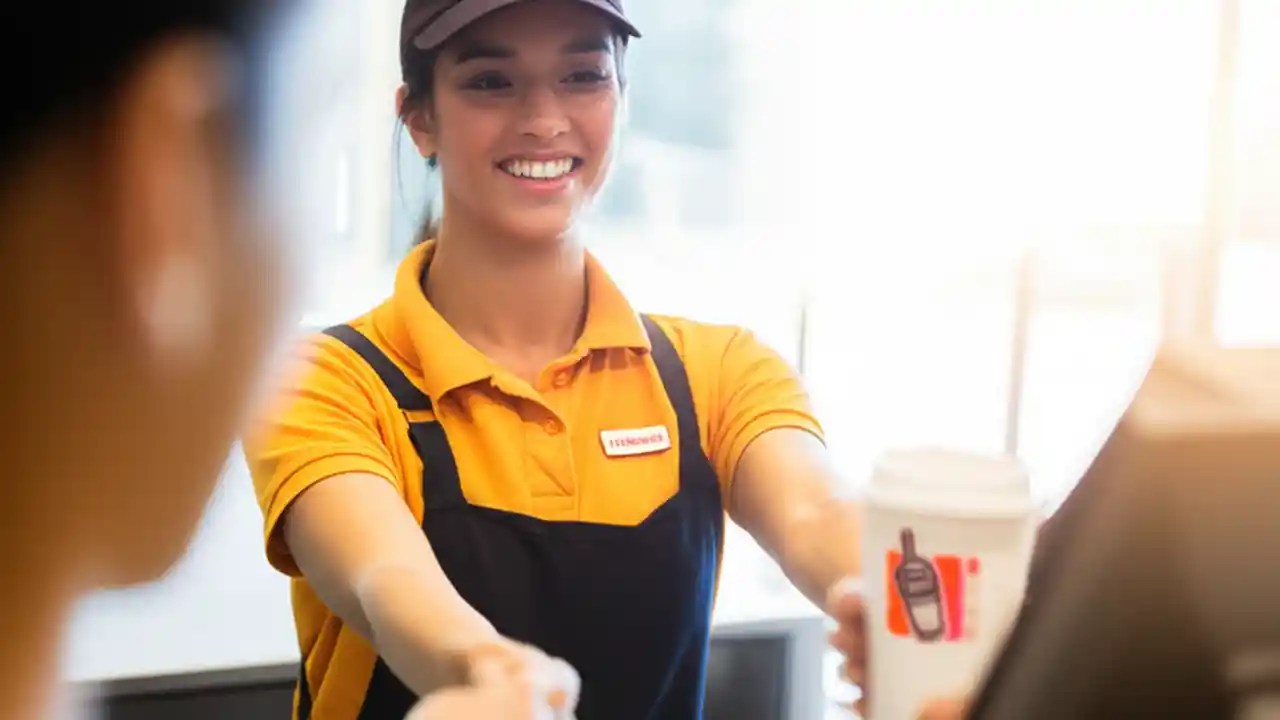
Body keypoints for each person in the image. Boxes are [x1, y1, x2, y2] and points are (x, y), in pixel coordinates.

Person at [245, 0, 868, 717]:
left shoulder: (717, 372)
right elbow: (383, 579)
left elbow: (818, 510)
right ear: (419, 118)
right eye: (491, 82)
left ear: (622, 99)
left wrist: (887, 603)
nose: (544, 120)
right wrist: (489, 673)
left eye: (582, 76)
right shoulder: (324, 381)